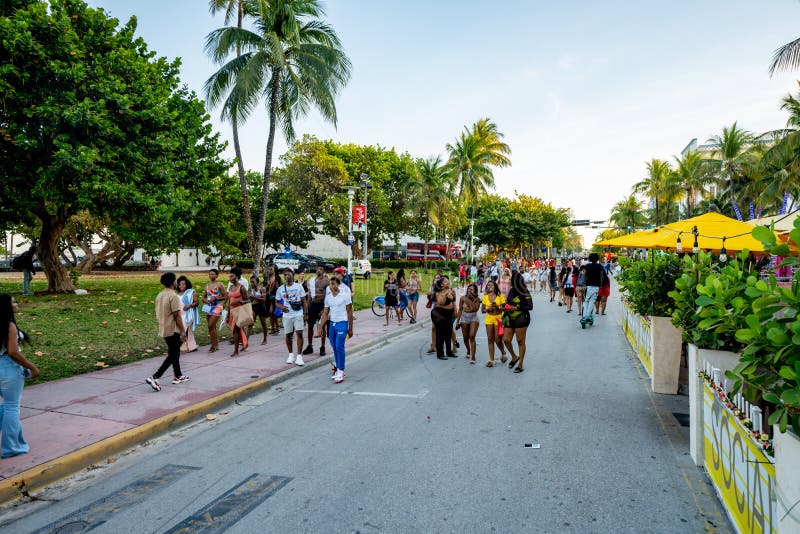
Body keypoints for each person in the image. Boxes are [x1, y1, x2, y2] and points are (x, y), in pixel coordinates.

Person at [0, 294, 39, 458]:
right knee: (11, 406)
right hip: (7, 367)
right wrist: (32, 367)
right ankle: (12, 448)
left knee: (8, 407)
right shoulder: (9, 326)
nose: (16, 303)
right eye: (13, 301)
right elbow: (13, 353)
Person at [147, 273, 189, 391]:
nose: (176, 283)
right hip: (173, 329)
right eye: (175, 281)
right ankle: (155, 377)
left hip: (163, 328)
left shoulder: (160, 295)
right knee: (173, 354)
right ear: (172, 282)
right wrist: (182, 331)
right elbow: (177, 316)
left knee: (174, 352)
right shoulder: (173, 296)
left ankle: (178, 375)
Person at [318, 276, 354, 383]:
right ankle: (338, 368)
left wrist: (350, 329)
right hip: (332, 323)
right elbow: (325, 313)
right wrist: (320, 326)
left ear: (338, 284)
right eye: (330, 284)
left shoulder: (345, 296)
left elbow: (349, 312)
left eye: (334, 284)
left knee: (339, 346)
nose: (332, 286)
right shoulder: (328, 297)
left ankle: (341, 370)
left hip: (342, 323)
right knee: (334, 346)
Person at [502, 271, 533, 373]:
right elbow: (507, 303)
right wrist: (505, 307)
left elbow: (530, 306)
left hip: (521, 318)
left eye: (511, 279)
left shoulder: (524, 291)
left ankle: (520, 365)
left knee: (520, 341)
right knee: (506, 339)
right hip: (509, 318)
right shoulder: (511, 291)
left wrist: (517, 307)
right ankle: (514, 357)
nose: (509, 281)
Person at [277, 268, 308, 366]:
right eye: (285, 275)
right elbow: (276, 302)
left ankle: (299, 356)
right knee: (288, 335)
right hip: (287, 315)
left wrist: (305, 314)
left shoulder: (299, 286)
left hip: (298, 313)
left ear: (293, 274)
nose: (286, 276)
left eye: (288, 274)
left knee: (299, 333)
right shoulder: (281, 288)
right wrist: (281, 307)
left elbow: (304, 301)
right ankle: (291, 355)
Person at [304, 267, 330, 356]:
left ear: (324, 271)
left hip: (323, 305)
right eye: (318, 269)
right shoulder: (311, 280)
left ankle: (322, 347)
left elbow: (328, 295)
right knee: (310, 325)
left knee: (322, 326)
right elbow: (310, 295)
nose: (319, 270)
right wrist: (306, 310)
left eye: (321, 269)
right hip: (313, 305)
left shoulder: (327, 281)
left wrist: (325, 309)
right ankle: (310, 346)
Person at [481, 280, 507, 367]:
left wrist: (498, 307)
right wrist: (487, 310)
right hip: (489, 319)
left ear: (495, 286)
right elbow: (482, 310)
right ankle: (491, 360)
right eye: (488, 286)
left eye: (491, 285)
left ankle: (503, 353)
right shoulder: (485, 297)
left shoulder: (500, 296)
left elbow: (505, 308)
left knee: (497, 339)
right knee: (490, 339)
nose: (490, 287)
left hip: (498, 318)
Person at [226, 267, 251, 357]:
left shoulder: (242, 287)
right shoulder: (231, 287)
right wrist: (228, 314)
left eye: (231, 276)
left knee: (236, 330)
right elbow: (230, 301)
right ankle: (244, 344)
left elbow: (248, 300)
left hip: (239, 311)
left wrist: (240, 302)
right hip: (232, 311)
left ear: (237, 277)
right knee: (235, 331)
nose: (230, 278)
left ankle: (236, 351)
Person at [431, 276, 457, 360]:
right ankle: (440, 354)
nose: (448, 282)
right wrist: (446, 294)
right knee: (440, 333)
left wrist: (455, 310)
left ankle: (449, 352)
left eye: (448, 281)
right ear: (442, 285)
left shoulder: (452, 291)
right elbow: (440, 302)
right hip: (438, 313)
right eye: (446, 282)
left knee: (448, 332)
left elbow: (453, 301)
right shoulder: (439, 292)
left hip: (448, 314)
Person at [202, 269, 226, 352]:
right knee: (211, 327)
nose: (211, 276)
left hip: (217, 307)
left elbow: (225, 296)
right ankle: (215, 345)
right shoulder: (207, 285)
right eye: (209, 274)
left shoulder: (220, 284)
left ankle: (213, 346)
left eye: (212, 274)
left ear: (216, 275)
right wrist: (206, 300)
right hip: (208, 307)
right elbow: (203, 297)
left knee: (211, 325)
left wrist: (216, 298)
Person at [455, 283, 481, 364]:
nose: (470, 291)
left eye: (472, 289)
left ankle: (473, 357)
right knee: (465, 338)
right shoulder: (462, 298)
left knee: (472, 336)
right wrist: (457, 321)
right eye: (469, 289)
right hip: (464, 318)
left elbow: (475, 309)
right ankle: (468, 350)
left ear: (475, 291)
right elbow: (460, 310)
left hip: (473, 318)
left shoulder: (477, 299)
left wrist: (472, 299)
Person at [581, 253, 606, 324]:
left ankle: (585, 317)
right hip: (596, 287)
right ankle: (587, 316)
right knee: (592, 302)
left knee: (586, 301)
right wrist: (600, 284)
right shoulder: (599, 266)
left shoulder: (587, 266)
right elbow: (602, 276)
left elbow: (585, 275)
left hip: (588, 286)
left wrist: (584, 284)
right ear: (597, 258)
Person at [176, 276, 199, 352]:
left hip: (188, 315)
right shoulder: (176, 294)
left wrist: (189, 306)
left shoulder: (191, 292)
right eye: (179, 284)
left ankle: (176, 348)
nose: (181, 286)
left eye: (183, 284)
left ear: (187, 284)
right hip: (180, 315)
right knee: (187, 331)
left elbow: (196, 302)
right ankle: (192, 346)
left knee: (184, 330)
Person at [248, 275, 269, 345]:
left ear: (257, 282)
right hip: (254, 306)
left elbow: (264, 299)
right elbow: (251, 299)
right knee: (250, 323)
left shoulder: (262, 288)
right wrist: (250, 298)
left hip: (261, 306)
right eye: (251, 282)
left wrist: (255, 297)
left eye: (253, 282)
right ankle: (246, 341)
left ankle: (265, 339)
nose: (251, 283)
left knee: (263, 323)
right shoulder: (252, 289)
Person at [265, 265, 282, 335]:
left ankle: (277, 328)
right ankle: (273, 328)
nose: (269, 270)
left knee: (273, 312)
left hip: (276, 297)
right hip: (269, 297)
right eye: (269, 269)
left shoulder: (277, 278)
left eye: (271, 269)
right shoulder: (267, 278)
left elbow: (280, 288)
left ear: (275, 270)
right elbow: (265, 287)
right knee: (270, 313)